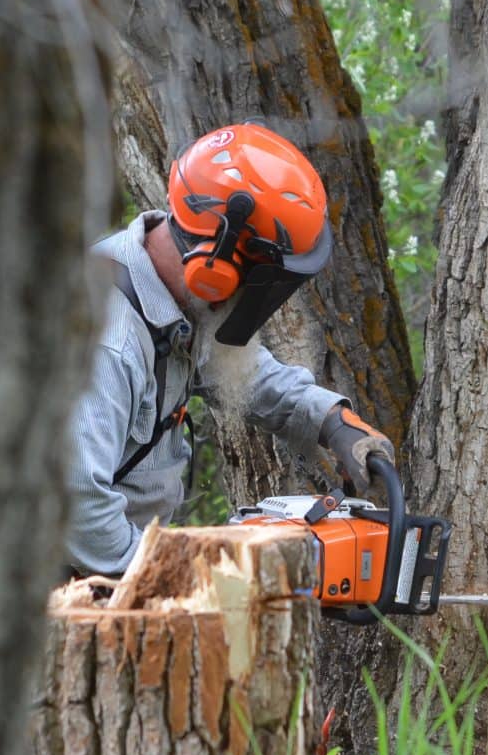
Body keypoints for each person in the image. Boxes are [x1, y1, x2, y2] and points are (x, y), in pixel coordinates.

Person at [65, 123, 394, 576]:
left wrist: (331, 422)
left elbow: (243, 372)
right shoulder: (107, 341)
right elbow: (79, 507)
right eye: (269, 281)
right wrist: (187, 579)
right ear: (215, 267)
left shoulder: (175, 298)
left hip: (116, 563)